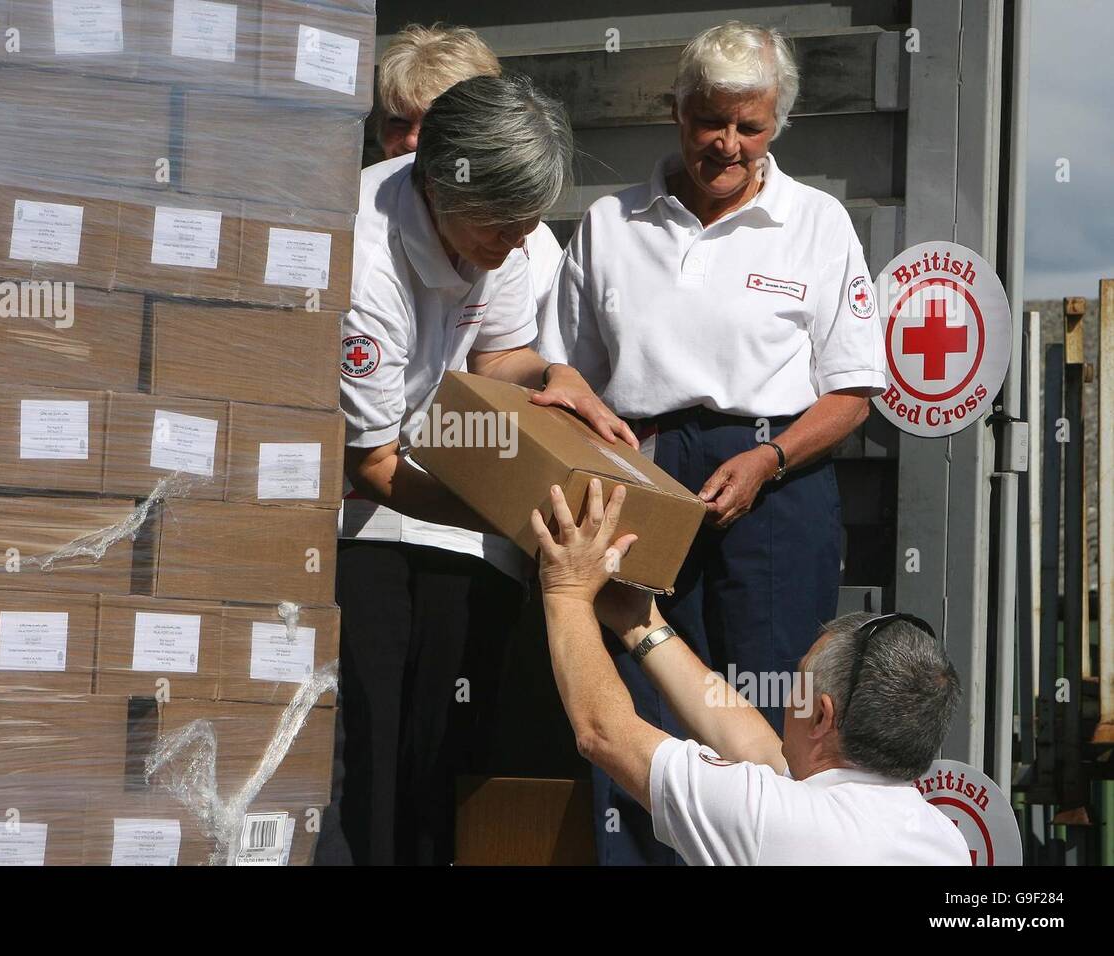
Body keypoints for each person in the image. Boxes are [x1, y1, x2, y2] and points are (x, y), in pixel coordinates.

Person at [537, 20, 887, 864]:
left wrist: (769, 458)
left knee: (770, 718)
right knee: (637, 699)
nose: (727, 143)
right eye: (710, 120)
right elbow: (561, 373)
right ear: (678, 110)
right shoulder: (613, 222)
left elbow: (854, 393)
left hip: (777, 485)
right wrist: (583, 405)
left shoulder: (818, 222)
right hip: (642, 477)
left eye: (750, 125)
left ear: (777, 126)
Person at [324, 73, 636, 866]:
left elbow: (498, 352)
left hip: (432, 482)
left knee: (445, 755)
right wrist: (515, 514)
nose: (516, 243)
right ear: (437, 184)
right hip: (349, 512)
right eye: (501, 227)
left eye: (526, 226)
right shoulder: (363, 269)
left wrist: (558, 380)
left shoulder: (499, 230)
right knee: (367, 761)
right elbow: (375, 465)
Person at [531, 478, 971, 865]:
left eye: (798, 685)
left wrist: (567, 591)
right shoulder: (942, 839)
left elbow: (602, 731)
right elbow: (756, 746)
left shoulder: (771, 820)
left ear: (822, 716)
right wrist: (643, 624)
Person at [376, 22, 566, 313]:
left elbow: (510, 354)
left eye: (432, 123)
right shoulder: (361, 232)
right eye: (398, 121)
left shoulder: (526, 244)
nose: (413, 139)